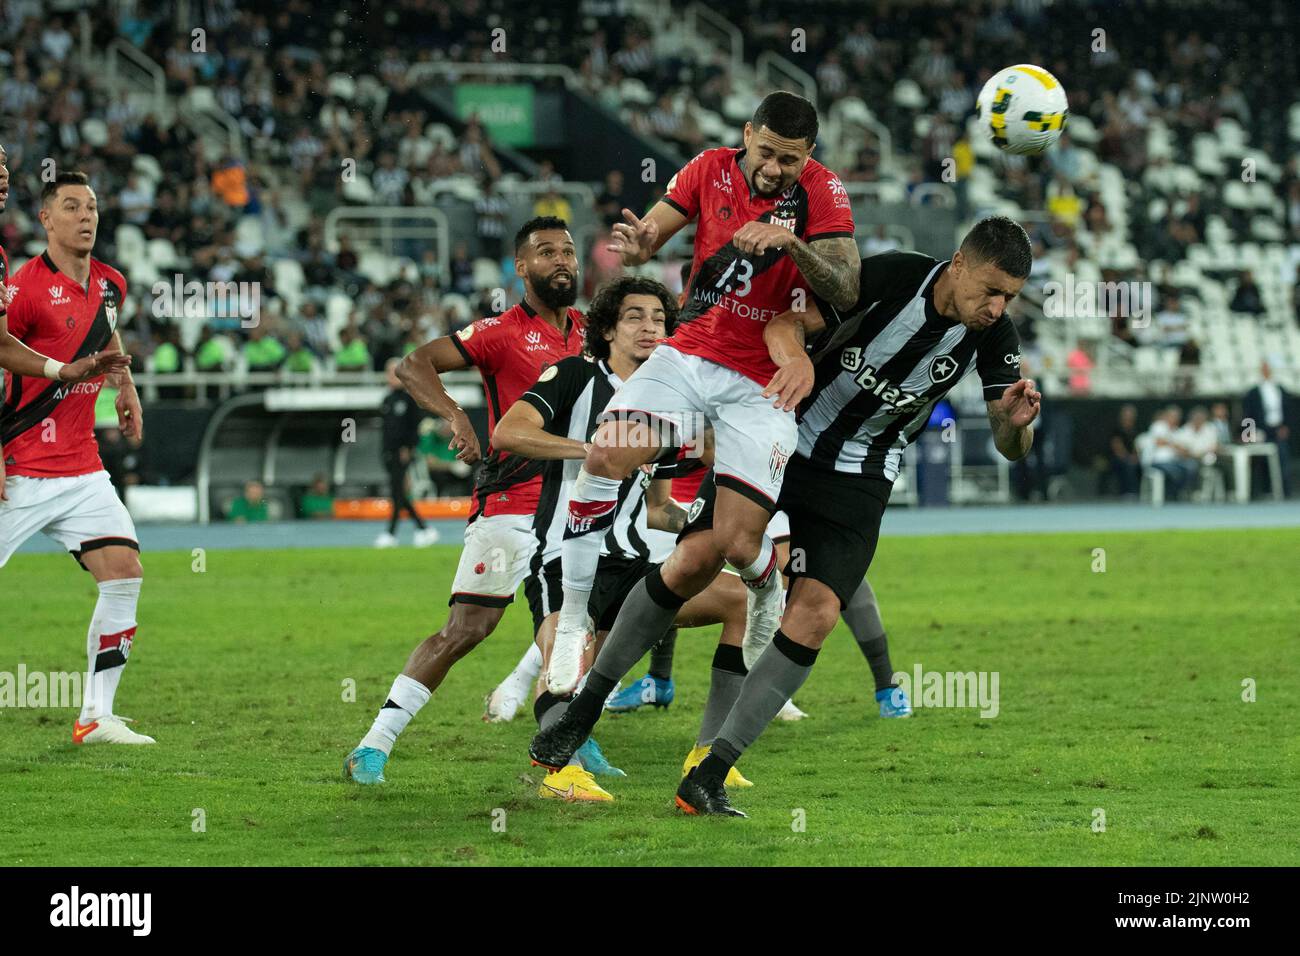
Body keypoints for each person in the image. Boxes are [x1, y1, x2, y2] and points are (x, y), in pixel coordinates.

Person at [531, 216, 1041, 816]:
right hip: (784, 434)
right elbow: (787, 319)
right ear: (958, 263)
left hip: (860, 475)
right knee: (696, 557)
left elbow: (1011, 447)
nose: (996, 306)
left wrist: (1014, 423)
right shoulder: (893, 275)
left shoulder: (994, 335)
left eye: (1008, 296)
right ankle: (581, 712)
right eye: (990, 289)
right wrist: (795, 355)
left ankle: (710, 772)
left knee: (820, 612)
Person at [546, 91, 860, 697]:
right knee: (603, 456)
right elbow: (653, 233)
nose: (774, 169)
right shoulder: (707, 168)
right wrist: (639, 245)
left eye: (789, 161)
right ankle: (572, 626)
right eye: (766, 152)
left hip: (759, 380)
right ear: (747, 134)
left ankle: (767, 586)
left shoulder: (823, 191)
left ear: (809, 156)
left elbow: (846, 289)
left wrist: (790, 242)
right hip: (689, 353)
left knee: (740, 543)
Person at [491, 276, 756, 801]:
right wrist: (593, 452)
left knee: (740, 603)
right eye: (635, 317)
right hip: (562, 554)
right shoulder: (572, 376)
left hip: (632, 561)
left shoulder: (667, 400)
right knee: (565, 664)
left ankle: (708, 757)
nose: (650, 327)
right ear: (607, 329)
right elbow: (506, 432)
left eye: (659, 318)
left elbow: (659, 505)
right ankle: (559, 775)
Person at [344, 217, 585, 785]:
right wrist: (455, 414)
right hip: (514, 502)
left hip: (577, 507)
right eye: (546, 253)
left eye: (569, 252)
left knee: (580, 623)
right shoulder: (500, 333)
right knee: (467, 630)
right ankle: (374, 745)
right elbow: (413, 364)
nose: (562, 262)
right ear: (521, 267)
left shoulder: (593, 332)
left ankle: (572, 747)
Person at [0, 171, 151, 745]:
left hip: (83, 469)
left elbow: (105, 337)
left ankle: (95, 717)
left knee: (124, 574)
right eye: (72, 207)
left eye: (92, 206)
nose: (86, 216)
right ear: (46, 219)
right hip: (21, 468)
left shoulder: (112, 283)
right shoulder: (21, 289)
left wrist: (126, 387)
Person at [375, 357, 439, 548]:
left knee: (397, 494)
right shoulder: (387, 399)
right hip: (388, 452)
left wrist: (409, 448)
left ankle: (392, 533)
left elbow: (414, 428)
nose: (391, 376)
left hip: (402, 453)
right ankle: (423, 529)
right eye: (389, 372)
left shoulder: (410, 398)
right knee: (398, 494)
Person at [1242, 360, 1292, 497]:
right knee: (1259, 463)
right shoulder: (1253, 392)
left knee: (1282, 460)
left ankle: (1284, 492)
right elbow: (1248, 414)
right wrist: (1249, 435)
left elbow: (1288, 411)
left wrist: (1285, 427)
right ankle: (1258, 493)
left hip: (1278, 429)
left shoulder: (1279, 389)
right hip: (1261, 431)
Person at [1107, 404, 1141, 497]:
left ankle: (1139, 492)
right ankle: (1128, 492)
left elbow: (1137, 445)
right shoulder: (1117, 429)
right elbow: (1117, 446)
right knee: (1128, 465)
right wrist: (1127, 457)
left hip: (1133, 458)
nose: (1128, 417)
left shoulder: (1135, 429)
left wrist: (1136, 456)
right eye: (1126, 415)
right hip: (1118, 458)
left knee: (1139, 465)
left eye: (1131, 415)